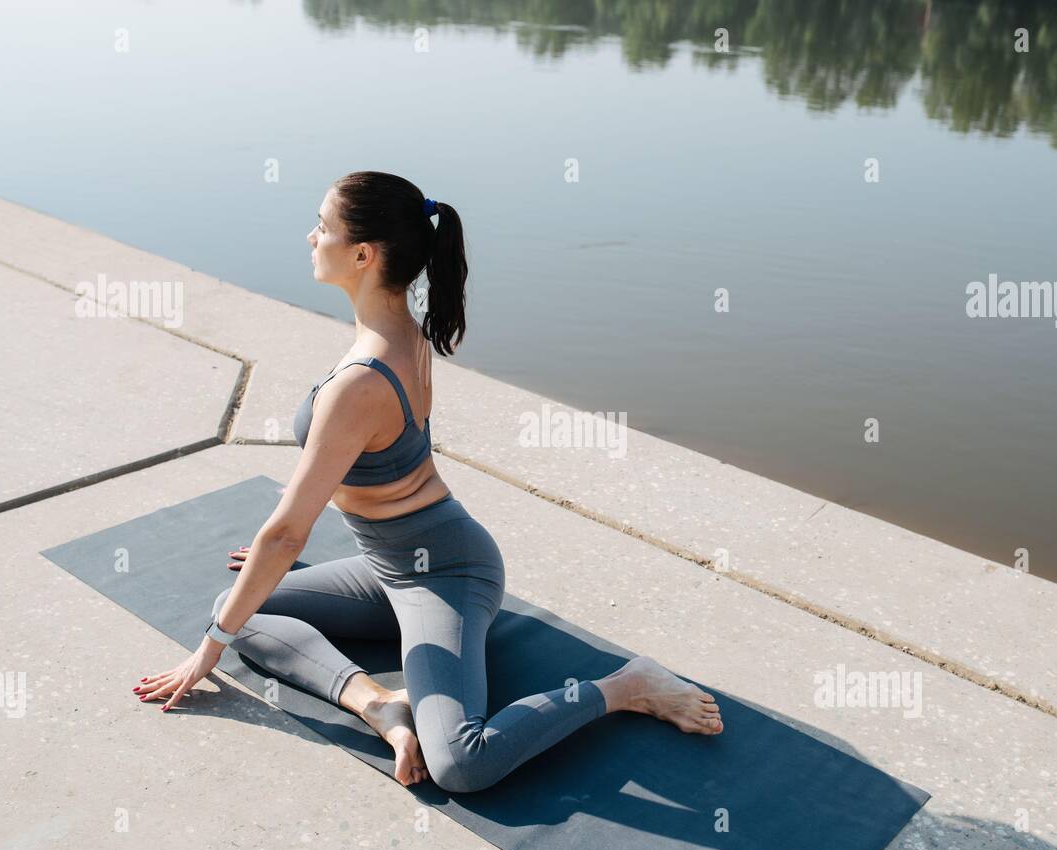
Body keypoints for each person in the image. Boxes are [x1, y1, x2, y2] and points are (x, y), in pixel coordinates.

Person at [134, 171, 722, 791]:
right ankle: (381, 704)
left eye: (322, 227)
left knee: (461, 764)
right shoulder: (394, 333)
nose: (310, 237)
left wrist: (208, 655)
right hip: (386, 566)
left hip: (447, 574)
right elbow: (366, 463)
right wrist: (275, 547)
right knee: (231, 611)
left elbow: (287, 536)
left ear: (362, 254)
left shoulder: (362, 376)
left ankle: (625, 686)